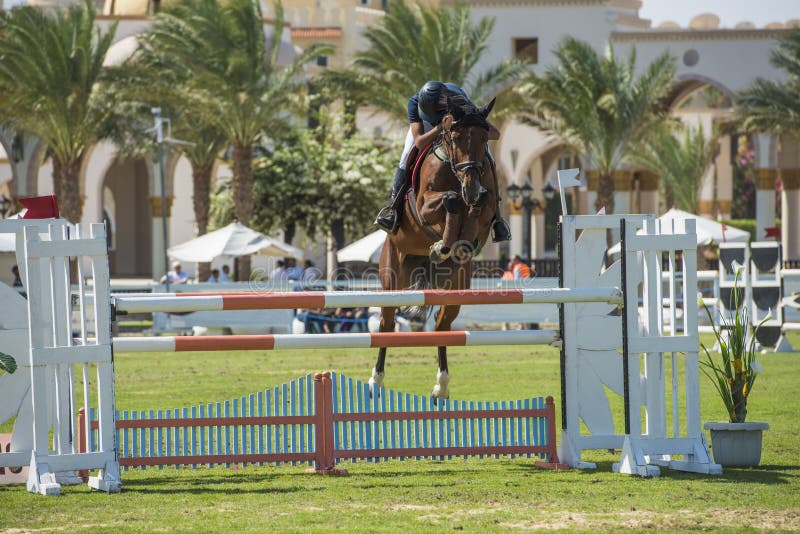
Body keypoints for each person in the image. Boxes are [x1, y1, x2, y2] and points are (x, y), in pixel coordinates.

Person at [374, 80, 511, 242]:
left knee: (488, 156)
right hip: (427, 127)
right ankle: (393, 209)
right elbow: (419, 142)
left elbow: (495, 134)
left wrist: (469, 129)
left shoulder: (460, 101)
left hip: (458, 123)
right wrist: (440, 127)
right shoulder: (414, 103)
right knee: (405, 158)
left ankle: (497, 217)